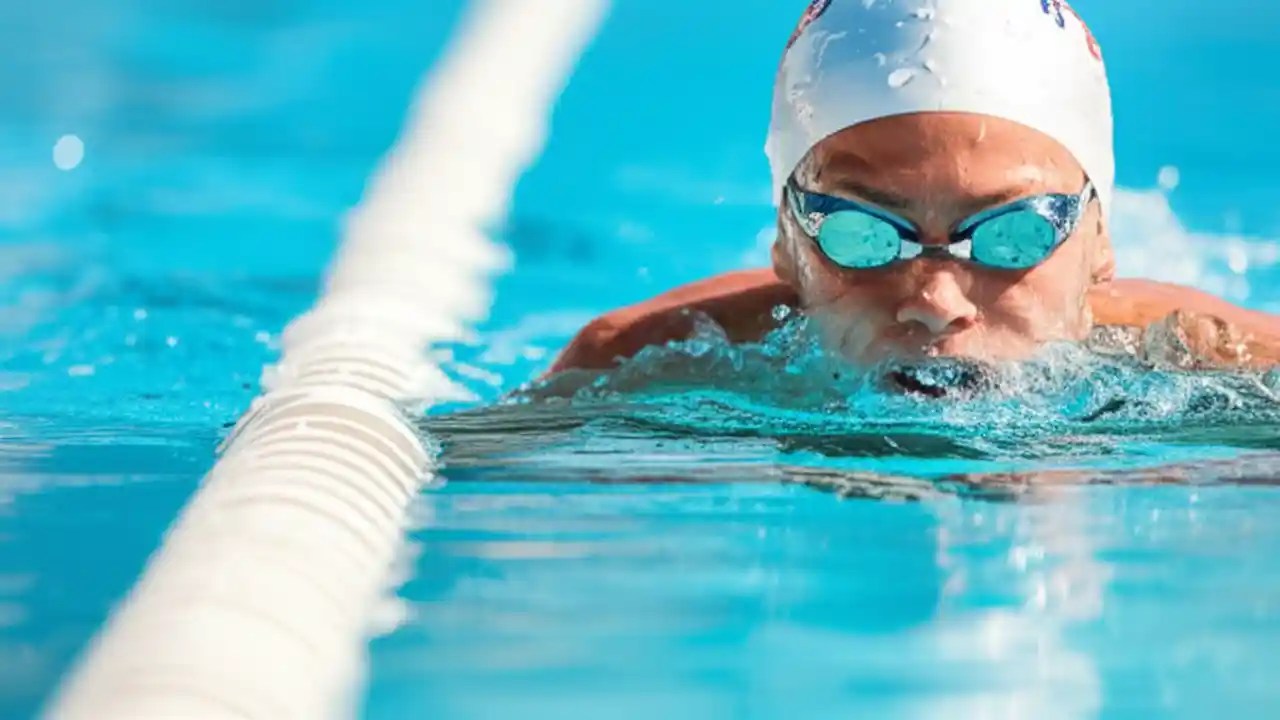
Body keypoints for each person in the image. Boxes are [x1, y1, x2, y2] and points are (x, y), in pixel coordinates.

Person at [550, 0, 1280, 382]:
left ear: (1099, 242)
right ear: (786, 243)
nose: (935, 305)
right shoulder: (628, 367)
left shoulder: (1233, 364)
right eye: (861, 233)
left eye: (1012, 232)